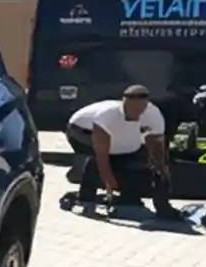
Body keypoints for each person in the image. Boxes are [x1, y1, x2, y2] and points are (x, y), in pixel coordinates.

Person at [65, 84, 182, 219]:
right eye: (132, 109)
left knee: (138, 162)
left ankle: (130, 198)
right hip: (81, 130)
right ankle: (86, 199)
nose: (136, 113)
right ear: (124, 103)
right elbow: (102, 157)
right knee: (97, 163)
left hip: (120, 135)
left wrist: (162, 172)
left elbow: (157, 149)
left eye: (140, 109)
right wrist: (109, 181)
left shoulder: (154, 115)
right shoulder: (107, 115)